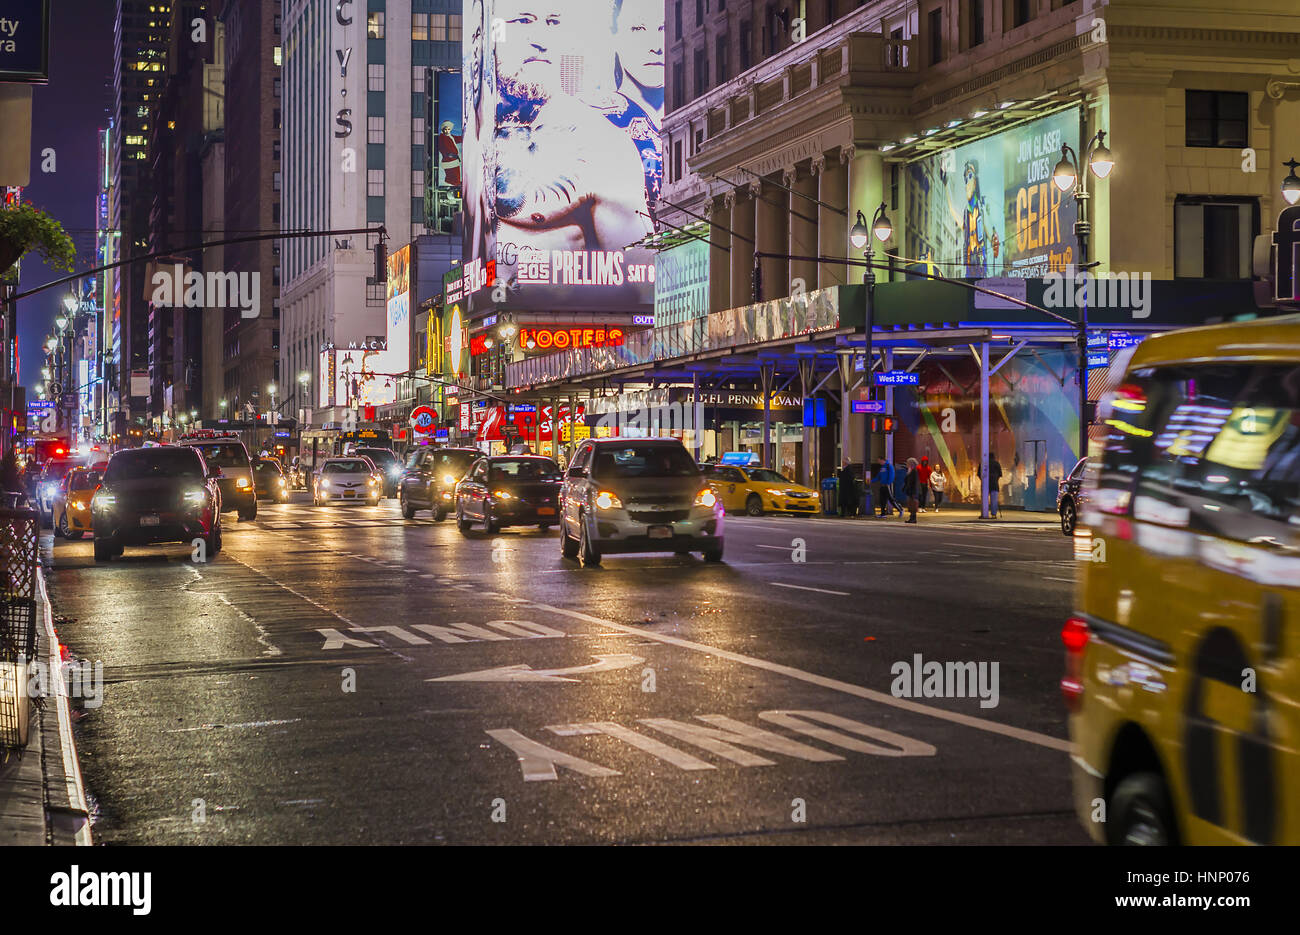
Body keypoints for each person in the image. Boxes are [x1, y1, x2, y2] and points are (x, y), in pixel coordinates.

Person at [903, 457, 920, 523]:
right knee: (910, 505)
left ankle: (913, 518)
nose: (907, 464)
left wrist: (914, 492)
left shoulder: (914, 471)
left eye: (908, 463)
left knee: (913, 505)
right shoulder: (910, 471)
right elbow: (906, 480)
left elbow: (915, 482)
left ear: (911, 464)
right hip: (910, 491)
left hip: (913, 491)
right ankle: (911, 518)